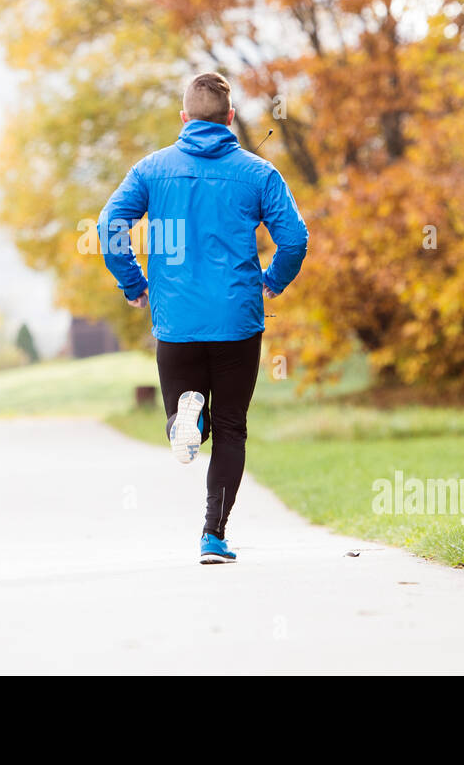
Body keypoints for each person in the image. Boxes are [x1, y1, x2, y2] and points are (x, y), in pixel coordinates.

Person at [97, 72, 309, 564]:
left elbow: (110, 227)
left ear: (184, 117)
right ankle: (213, 535)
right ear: (231, 118)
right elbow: (295, 239)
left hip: (176, 321)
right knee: (232, 427)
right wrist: (273, 280)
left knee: (184, 421)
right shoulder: (258, 174)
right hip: (237, 320)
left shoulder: (152, 170)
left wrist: (134, 284)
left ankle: (184, 418)